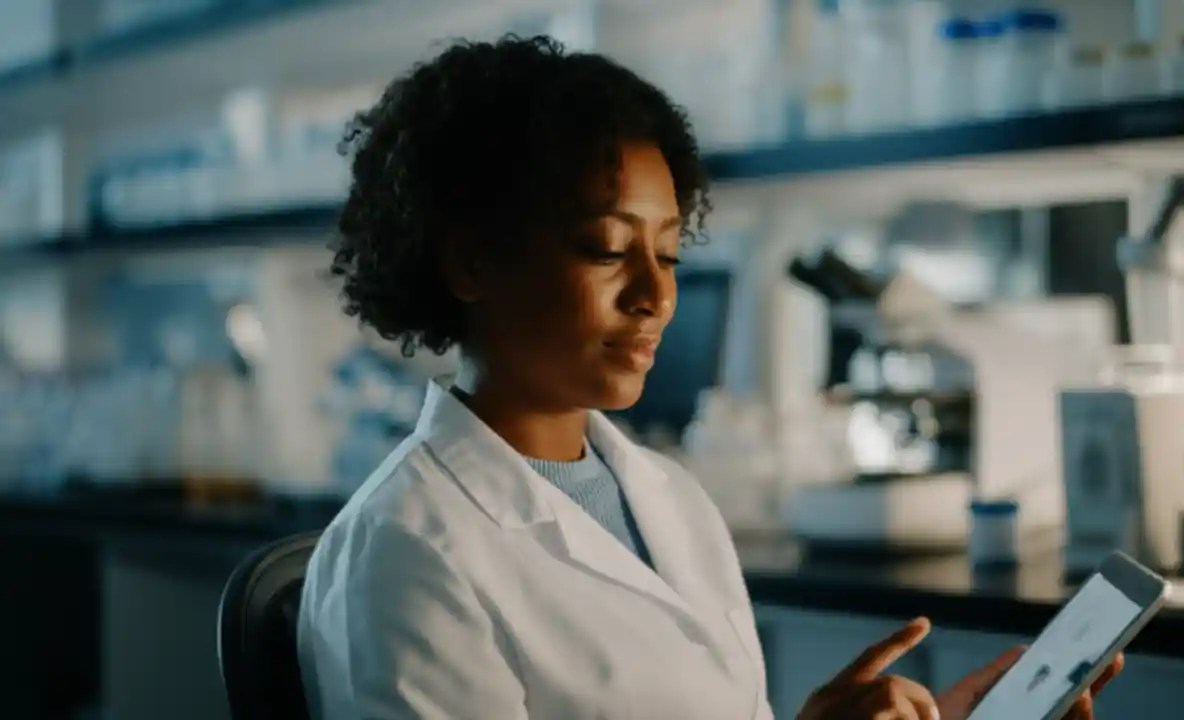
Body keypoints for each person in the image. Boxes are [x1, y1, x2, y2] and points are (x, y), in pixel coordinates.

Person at [295, 35, 1121, 720]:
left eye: (667, 254)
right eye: (610, 250)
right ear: (472, 260)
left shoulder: (667, 498)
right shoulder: (406, 548)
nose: (656, 296)